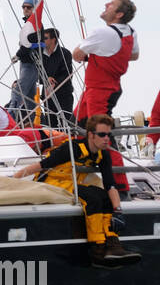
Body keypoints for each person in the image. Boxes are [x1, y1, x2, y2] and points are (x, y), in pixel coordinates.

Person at [12, 114, 140, 267]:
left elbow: (110, 184)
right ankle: (97, 249)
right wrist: (14, 180)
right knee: (91, 198)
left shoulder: (102, 154)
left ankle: (113, 245)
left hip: (71, 183)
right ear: (91, 135)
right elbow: (41, 165)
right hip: (52, 183)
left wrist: (118, 210)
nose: (107, 138)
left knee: (103, 196)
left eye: (109, 134)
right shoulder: (72, 148)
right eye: (102, 134)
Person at [72, 0, 138, 123]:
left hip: (99, 91)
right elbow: (134, 55)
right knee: (77, 124)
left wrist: (96, 51)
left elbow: (76, 55)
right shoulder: (130, 32)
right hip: (108, 88)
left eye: (112, 4)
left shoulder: (102, 33)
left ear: (119, 15)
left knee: (99, 129)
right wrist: (106, 54)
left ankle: (110, 144)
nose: (106, 5)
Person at [8, 0, 44, 120]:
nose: (25, 9)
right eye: (23, 7)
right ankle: (37, 121)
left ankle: (11, 115)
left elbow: (27, 45)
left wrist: (18, 55)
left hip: (31, 64)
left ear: (34, 9)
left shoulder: (35, 25)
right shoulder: (30, 25)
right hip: (26, 63)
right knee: (30, 97)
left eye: (29, 7)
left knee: (19, 90)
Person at [39, 27, 74, 128]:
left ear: (53, 39)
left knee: (66, 124)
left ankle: (67, 143)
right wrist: (46, 79)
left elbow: (67, 73)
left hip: (63, 94)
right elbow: (37, 73)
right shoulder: (40, 55)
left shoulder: (65, 53)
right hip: (48, 95)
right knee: (51, 125)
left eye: (45, 38)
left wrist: (54, 81)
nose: (42, 40)